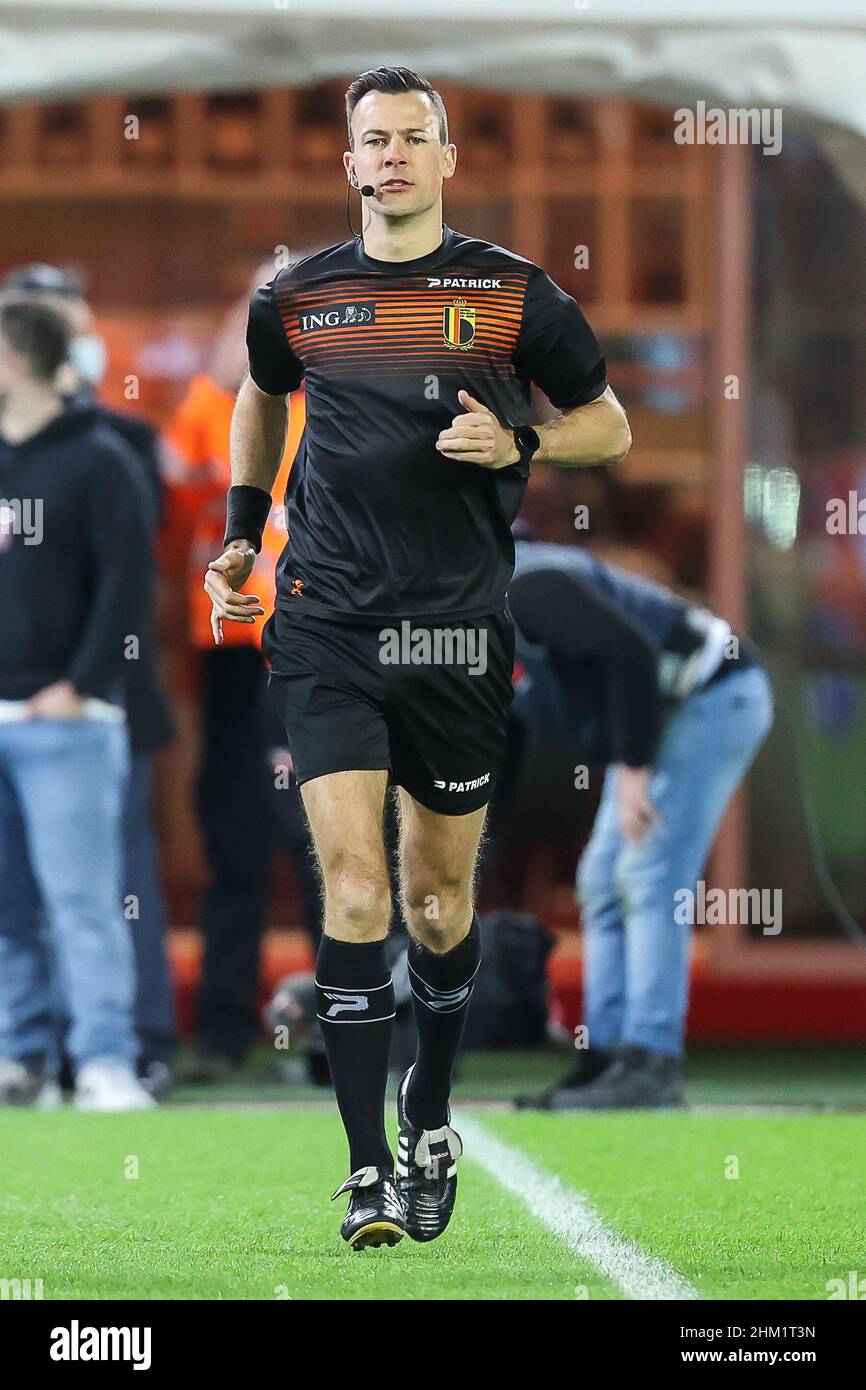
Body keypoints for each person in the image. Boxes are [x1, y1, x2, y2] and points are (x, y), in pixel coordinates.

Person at [204, 66, 630, 1249]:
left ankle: (429, 1111)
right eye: (370, 140)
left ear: (446, 159)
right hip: (328, 624)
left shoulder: (510, 294)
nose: (389, 155)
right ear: (347, 165)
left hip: (455, 637)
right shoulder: (296, 296)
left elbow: (607, 420)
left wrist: (522, 434)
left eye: (410, 138)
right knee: (352, 887)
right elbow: (260, 397)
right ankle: (365, 1172)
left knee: (439, 902)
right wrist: (244, 533)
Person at [507, 537, 774, 1110]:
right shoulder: (489, 600)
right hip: (663, 711)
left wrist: (632, 772)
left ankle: (651, 1060)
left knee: (650, 876)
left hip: (712, 693)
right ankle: (606, 1058)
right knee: (602, 882)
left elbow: (628, 653)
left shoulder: (524, 582)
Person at [1, 262, 177, 1094]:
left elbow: (128, 587)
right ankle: (19, 1054)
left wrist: (80, 686)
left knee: (87, 899)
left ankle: (108, 1056)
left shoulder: (106, 455)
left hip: (73, 718)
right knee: (9, 906)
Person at [164, 262, 319, 1080]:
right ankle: (223, 1036)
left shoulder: (333, 411)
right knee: (234, 846)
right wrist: (260, 297)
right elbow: (219, 390)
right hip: (230, 655)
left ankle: (350, 1034)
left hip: (314, 652)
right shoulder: (213, 414)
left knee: (332, 849)